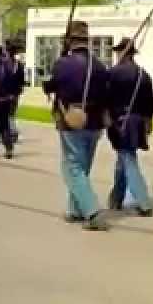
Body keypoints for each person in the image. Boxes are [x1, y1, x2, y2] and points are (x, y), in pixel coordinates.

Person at [42, 22, 111, 231]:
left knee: (72, 167)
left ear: (70, 40)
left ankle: (92, 211)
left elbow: (51, 85)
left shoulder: (63, 63)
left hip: (71, 119)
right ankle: (75, 210)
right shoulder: (99, 65)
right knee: (82, 168)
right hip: (94, 120)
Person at [105, 37, 153, 216]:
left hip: (119, 121)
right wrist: (148, 124)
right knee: (124, 159)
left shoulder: (112, 73)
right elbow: (150, 104)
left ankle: (143, 201)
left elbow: (106, 99)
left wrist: (107, 119)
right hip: (137, 121)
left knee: (128, 159)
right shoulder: (144, 74)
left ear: (121, 52)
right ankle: (117, 198)